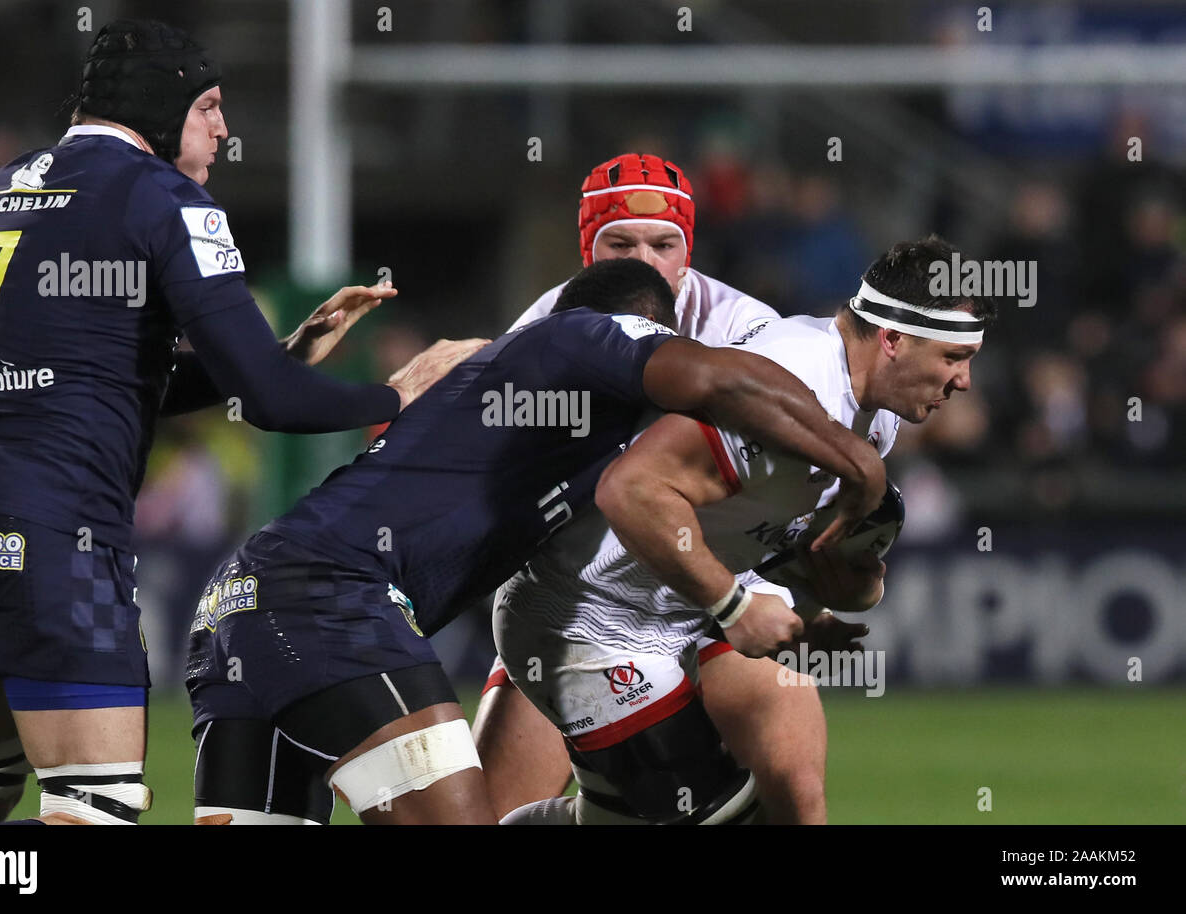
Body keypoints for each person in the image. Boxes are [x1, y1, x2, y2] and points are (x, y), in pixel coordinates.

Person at [0, 18, 474, 827]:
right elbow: (270, 404)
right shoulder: (164, 197)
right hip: (56, 530)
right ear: (162, 112)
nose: (223, 129)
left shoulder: (8, 186)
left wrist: (282, 352)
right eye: (209, 107)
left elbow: (115, 377)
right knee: (96, 805)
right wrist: (397, 399)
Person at [186, 257, 887, 825]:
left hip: (237, 603)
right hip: (333, 596)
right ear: (644, 324)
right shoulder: (587, 334)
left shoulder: (549, 417)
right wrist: (858, 462)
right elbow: (717, 378)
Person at [496, 237, 994, 824]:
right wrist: (733, 607)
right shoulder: (792, 378)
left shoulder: (874, 413)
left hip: (662, 616)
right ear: (893, 339)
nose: (963, 381)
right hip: (587, 616)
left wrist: (816, 600)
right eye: (952, 357)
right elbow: (629, 489)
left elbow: (745, 523)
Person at [475, 152, 832, 823]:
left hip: (711, 588)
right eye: (621, 243)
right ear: (589, 250)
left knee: (794, 794)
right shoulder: (536, 336)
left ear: (688, 251)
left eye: (664, 244)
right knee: (487, 814)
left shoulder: (748, 332)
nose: (645, 261)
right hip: (579, 602)